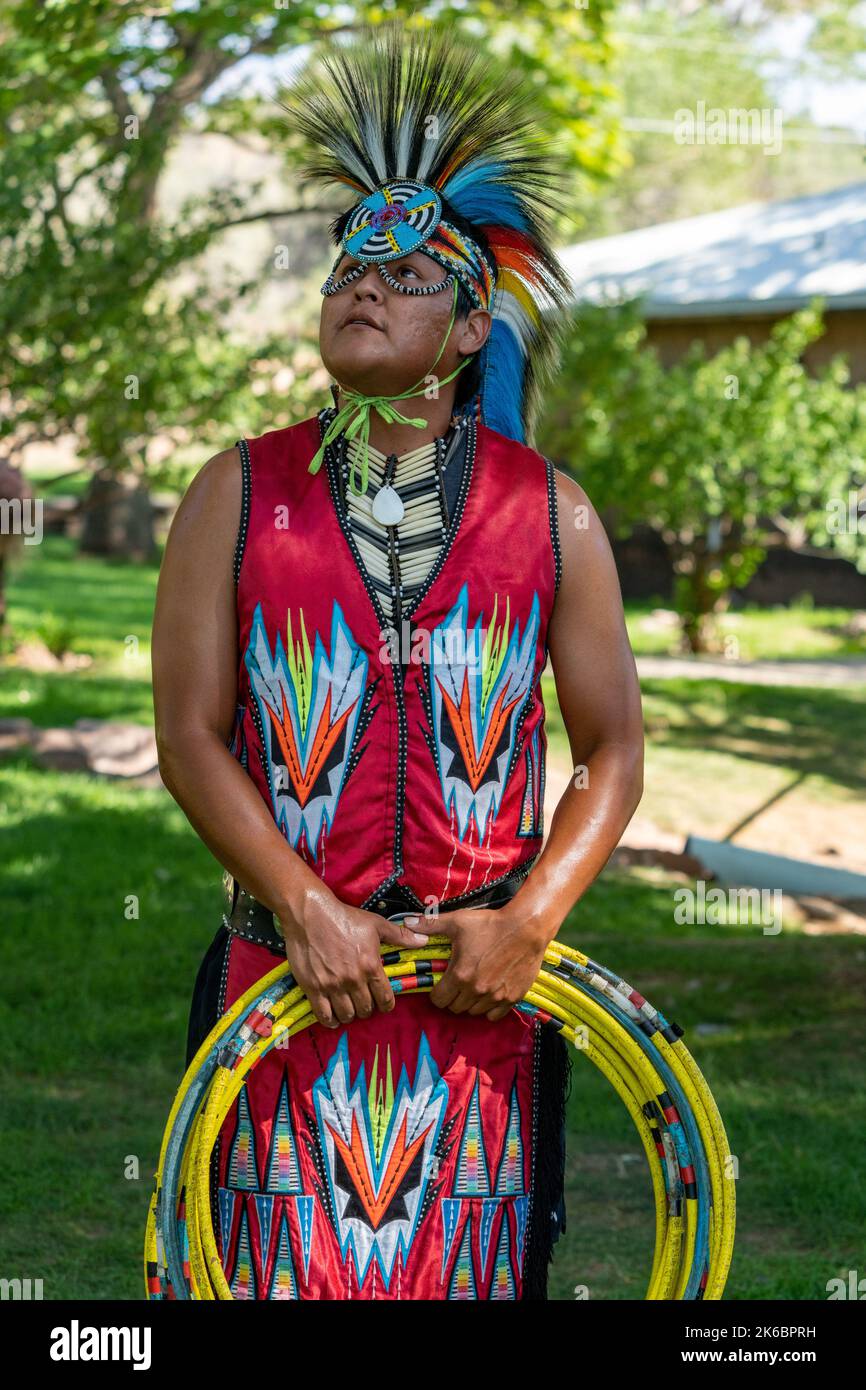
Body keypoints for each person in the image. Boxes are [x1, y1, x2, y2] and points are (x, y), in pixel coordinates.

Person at [150, 21, 643, 1301]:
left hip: (477, 1012)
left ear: (475, 323)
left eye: (411, 267)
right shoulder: (234, 491)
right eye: (346, 266)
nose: (364, 282)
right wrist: (303, 904)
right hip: (286, 996)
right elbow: (190, 735)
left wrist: (530, 921)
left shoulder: (550, 513)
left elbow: (613, 746)